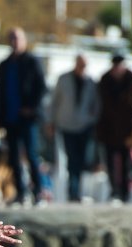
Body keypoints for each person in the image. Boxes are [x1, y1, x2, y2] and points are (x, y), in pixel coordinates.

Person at [0, 28, 47, 204]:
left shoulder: (32, 62)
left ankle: (38, 192)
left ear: (24, 40)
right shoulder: (5, 64)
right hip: (10, 119)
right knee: (13, 158)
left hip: (27, 119)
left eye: (18, 38)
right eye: (12, 38)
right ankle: (21, 192)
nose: (15, 42)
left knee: (31, 155)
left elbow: (41, 87)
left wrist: (31, 108)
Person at [96, 53, 132, 203]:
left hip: (128, 131)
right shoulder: (105, 80)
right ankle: (115, 192)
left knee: (127, 163)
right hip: (108, 129)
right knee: (110, 163)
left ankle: (125, 193)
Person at [48, 55, 99, 203]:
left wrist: (92, 119)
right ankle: (72, 191)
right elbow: (54, 102)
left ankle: (77, 190)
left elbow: (96, 104)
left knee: (82, 159)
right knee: (71, 159)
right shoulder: (63, 79)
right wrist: (50, 121)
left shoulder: (90, 82)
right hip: (66, 125)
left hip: (84, 126)